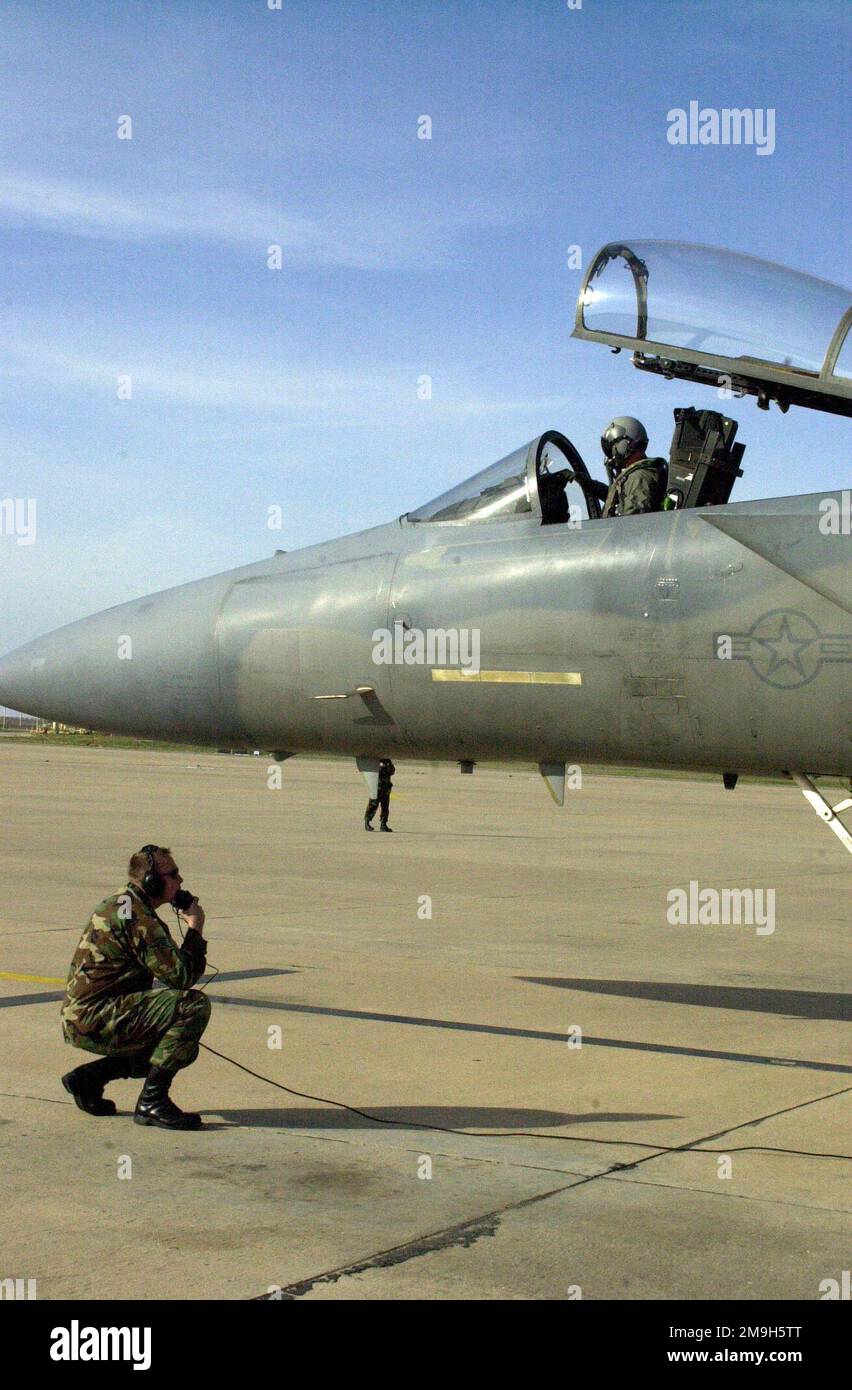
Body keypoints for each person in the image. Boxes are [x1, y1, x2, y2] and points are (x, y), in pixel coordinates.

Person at [60, 845, 211, 1131]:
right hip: (96, 1016)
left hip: (87, 1016)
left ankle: (89, 1078)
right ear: (152, 881)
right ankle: (152, 1102)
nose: (180, 882)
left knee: (171, 1037)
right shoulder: (138, 917)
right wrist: (195, 928)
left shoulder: (125, 903)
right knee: (191, 1007)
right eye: (173, 875)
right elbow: (181, 977)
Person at [600, 417, 668, 517]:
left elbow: (633, 521)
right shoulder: (634, 475)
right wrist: (588, 484)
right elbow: (618, 498)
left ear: (625, 444)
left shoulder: (639, 477)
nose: (611, 454)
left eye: (613, 447)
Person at [365, 758, 395, 832]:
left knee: (385, 807)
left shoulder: (388, 761)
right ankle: (367, 822)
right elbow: (374, 772)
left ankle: (383, 824)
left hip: (386, 788)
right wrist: (382, 767)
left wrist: (388, 766)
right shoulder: (376, 762)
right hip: (377, 787)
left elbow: (392, 771)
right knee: (373, 805)